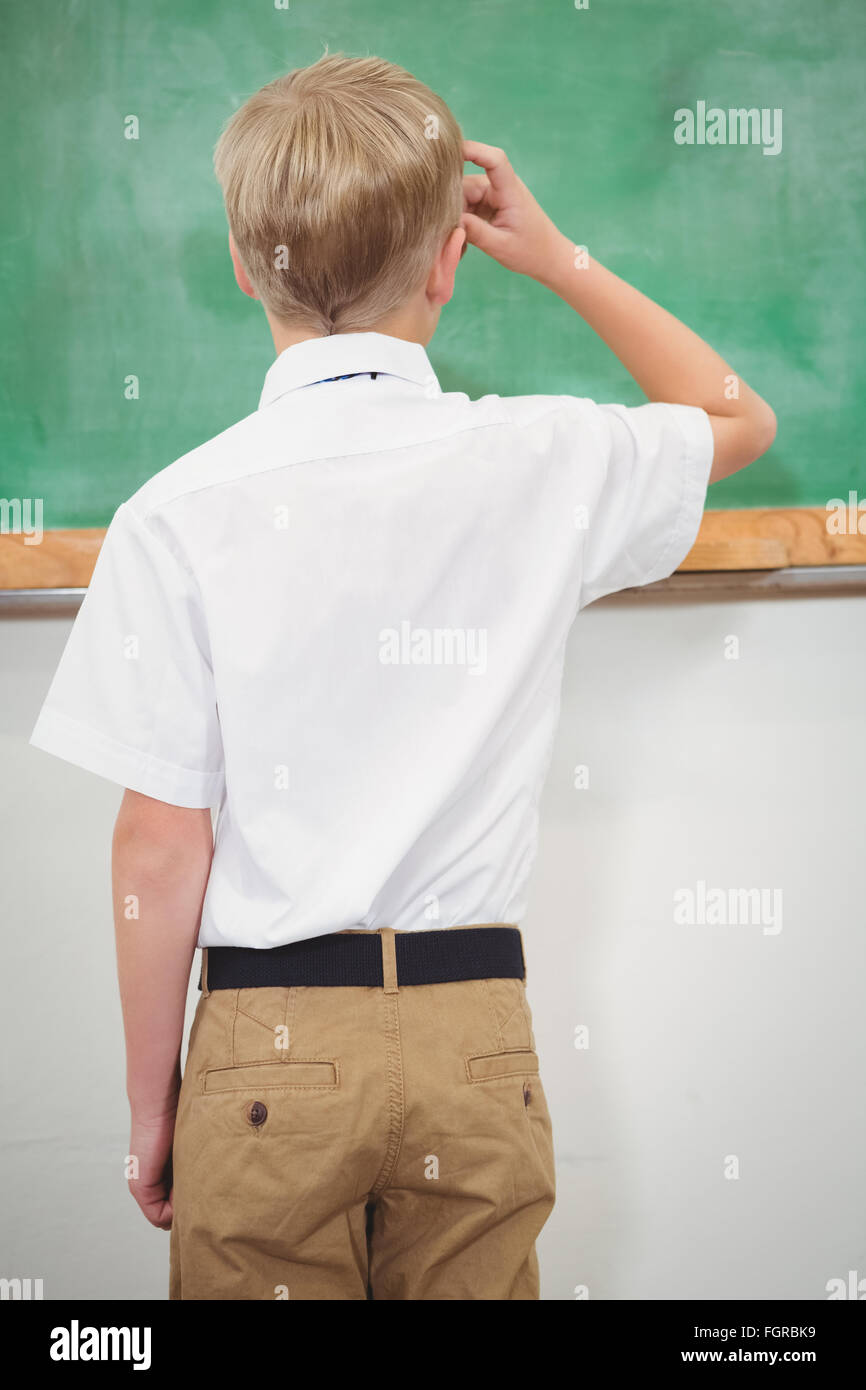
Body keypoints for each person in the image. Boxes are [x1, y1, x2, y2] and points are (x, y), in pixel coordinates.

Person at [30, 54, 776, 1300]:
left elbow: (157, 850)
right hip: (471, 1035)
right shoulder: (542, 456)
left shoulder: (176, 514)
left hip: (266, 1048)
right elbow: (735, 416)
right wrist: (557, 255)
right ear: (448, 260)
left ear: (238, 261)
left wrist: (150, 1104)